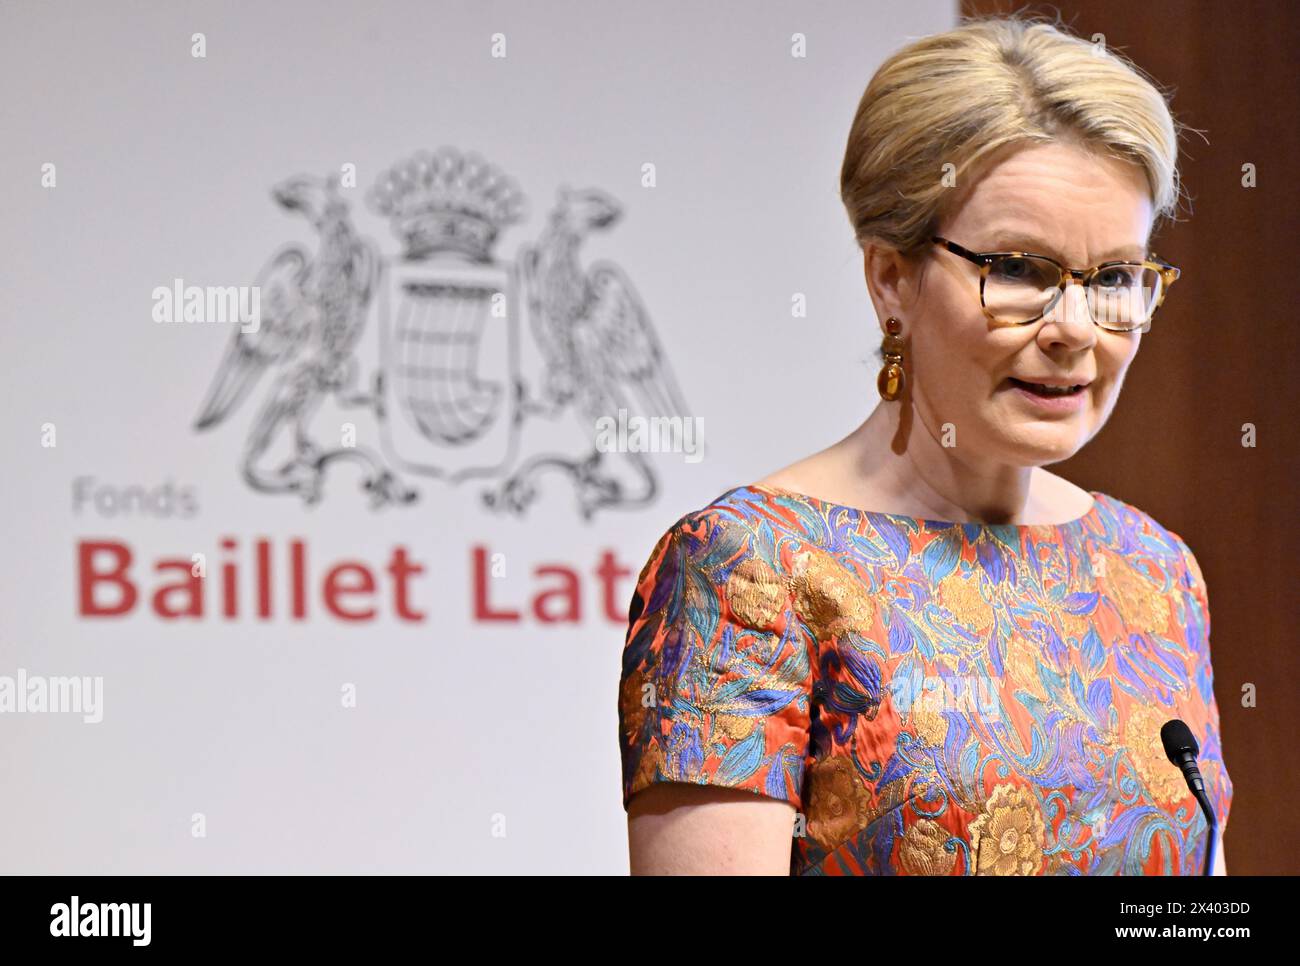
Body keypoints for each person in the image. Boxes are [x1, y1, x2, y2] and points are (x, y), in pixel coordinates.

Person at [618, 12, 1232, 875]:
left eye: (1115, 279)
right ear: (890, 279)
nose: (1076, 329)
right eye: (1019, 271)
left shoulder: (1156, 573)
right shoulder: (750, 571)